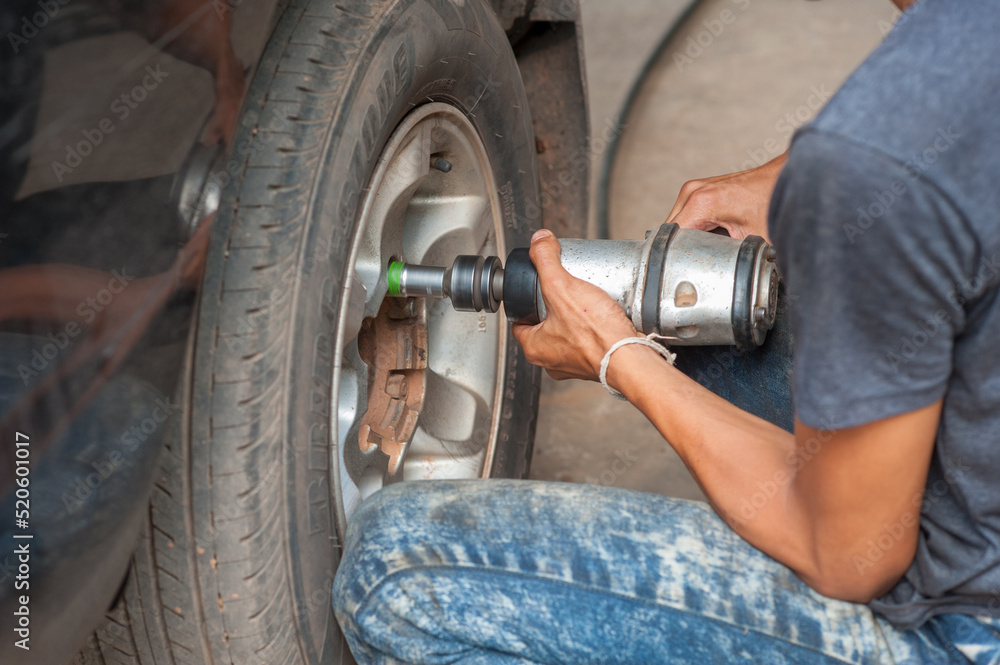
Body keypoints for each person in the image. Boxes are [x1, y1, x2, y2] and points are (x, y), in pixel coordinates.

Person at [331, 0, 1000, 662]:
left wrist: (619, 356)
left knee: (390, 570)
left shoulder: (877, 155)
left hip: (967, 631)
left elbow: (855, 555)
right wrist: (804, 175)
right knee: (711, 334)